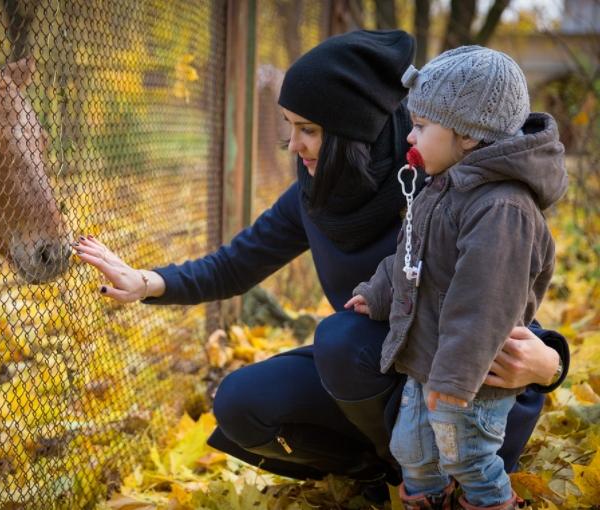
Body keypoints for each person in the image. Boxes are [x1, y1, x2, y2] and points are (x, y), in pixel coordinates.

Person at [73, 30, 569, 503]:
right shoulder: (318, 194)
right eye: (289, 126)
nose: (293, 145)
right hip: (384, 373)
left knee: (341, 338)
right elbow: (235, 264)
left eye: (308, 129)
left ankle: (448, 478)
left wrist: (551, 365)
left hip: (469, 389)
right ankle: (385, 473)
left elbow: (496, 297)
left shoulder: (443, 174)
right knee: (240, 402)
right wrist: (146, 282)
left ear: (353, 129)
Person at [346, 46, 567, 509]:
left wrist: (455, 378)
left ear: (467, 135)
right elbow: (413, 254)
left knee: (468, 455)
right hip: (428, 362)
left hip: (473, 376)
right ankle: (428, 498)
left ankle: (492, 502)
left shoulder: (501, 207)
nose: (411, 135)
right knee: (412, 449)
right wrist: (380, 291)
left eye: (422, 126)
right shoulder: (446, 184)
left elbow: (484, 303)